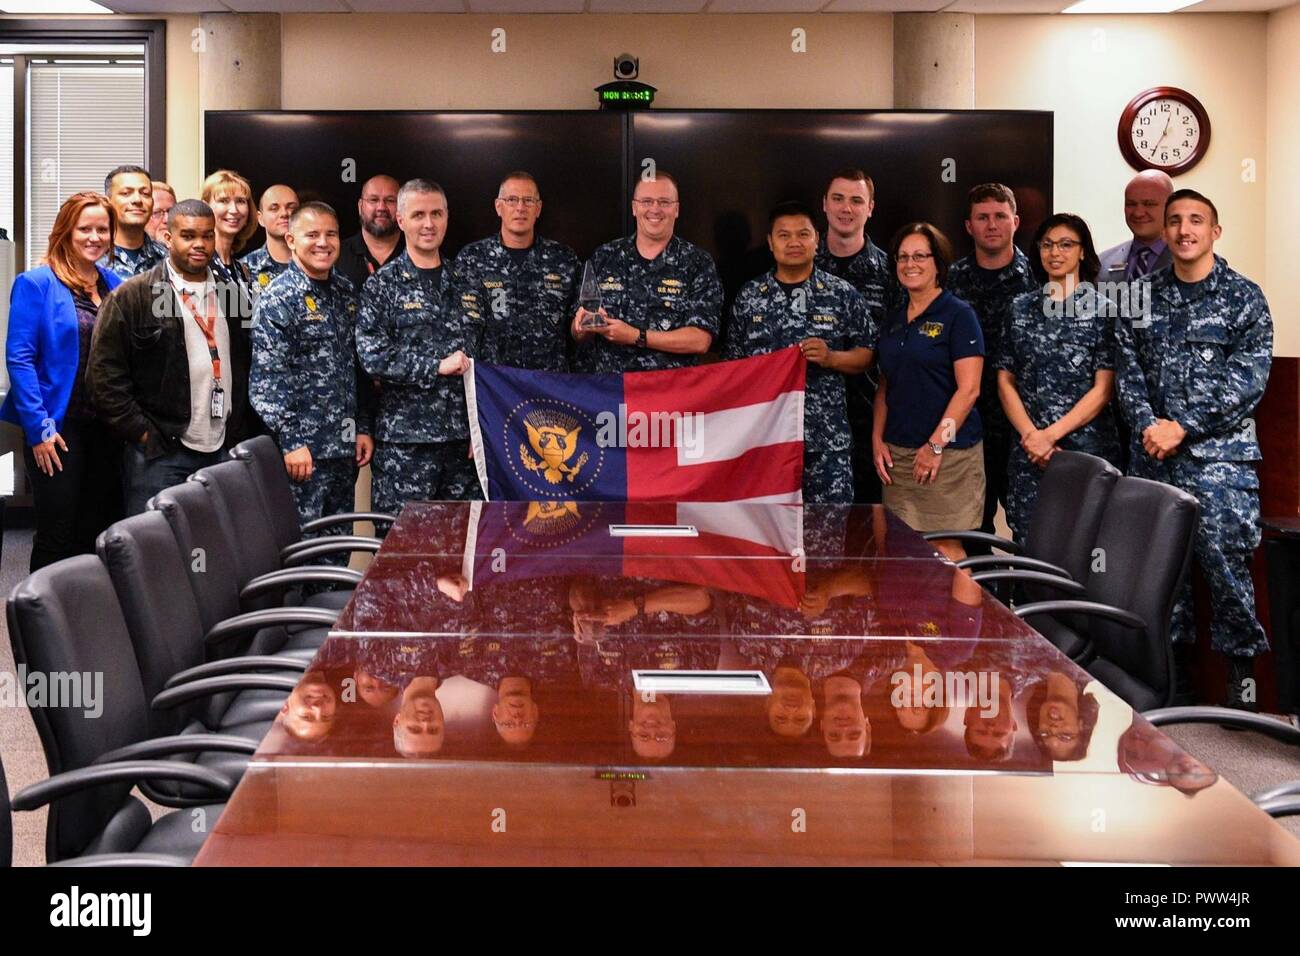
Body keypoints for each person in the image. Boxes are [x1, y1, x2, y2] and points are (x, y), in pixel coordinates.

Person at [1114, 189, 1273, 709]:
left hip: (1220, 464)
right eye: (1175, 221)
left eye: (1196, 221)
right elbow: (1127, 374)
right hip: (1154, 460)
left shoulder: (1244, 298)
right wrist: (1149, 427)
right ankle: (1174, 683)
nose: (1184, 230)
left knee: (1226, 569)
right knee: (1160, 573)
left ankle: (1241, 682)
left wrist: (1182, 426)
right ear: (1164, 232)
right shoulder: (1140, 296)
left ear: (1214, 232)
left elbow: (1247, 381)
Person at [88, 199, 259, 515]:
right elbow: (104, 377)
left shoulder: (231, 294)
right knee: (154, 547)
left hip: (221, 448)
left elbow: (247, 363)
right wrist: (143, 434)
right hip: (161, 452)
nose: (199, 244)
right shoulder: (134, 295)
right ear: (168, 237)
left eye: (207, 236)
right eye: (189, 235)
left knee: (213, 545)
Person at [723, 200, 874, 503]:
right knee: (764, 538)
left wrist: (832, 358)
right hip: (764, 442)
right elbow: (732, 369)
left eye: (803, 234)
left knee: (828, 538)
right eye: (784, 235)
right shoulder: (750, 297)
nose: (794, 242)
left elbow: (867, 354)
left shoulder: (841, 293)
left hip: (825, 446)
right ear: (770, 242)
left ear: (817, 239)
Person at [2, 192, 124, 570]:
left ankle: (83, 619)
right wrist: (38, 429)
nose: (94, 237)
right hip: (56, 427)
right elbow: (19, 359)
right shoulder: (36, 283)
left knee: (97, 530)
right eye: (84, 228)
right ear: (65, 232)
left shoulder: (116, 283)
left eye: (102, 229)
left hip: (105, 427)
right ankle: (39, 620)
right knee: (58, 532)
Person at [249, 201, 375, 536]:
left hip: (343, 449)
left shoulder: (346, 292)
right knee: (302, 550)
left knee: (338, 547)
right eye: (312, 234)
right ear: (291, 240)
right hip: (302, 453)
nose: (323, 242)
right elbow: (267, 379)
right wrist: (291, 441)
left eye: (331, 234)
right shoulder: (278, 298)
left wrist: (361, 426)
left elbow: (357, 367)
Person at [996, 214, 1120, 541]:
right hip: (1028, 453)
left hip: (1083, 451)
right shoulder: (1020, 308)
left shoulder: (1104, 310)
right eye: (1048, 244)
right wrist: (1030, 435)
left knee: (1083, 545)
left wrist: (1050, 436)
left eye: (1066, 244)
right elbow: (1005, 379)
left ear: (1082, 252)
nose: (1055, 252)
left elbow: (1103, 389)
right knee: (1028, 545)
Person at [356, 179, 477, 510]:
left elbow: (487, 356)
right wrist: (435, 367)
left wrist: (481, 427)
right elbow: (372, 355)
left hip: (462, 445)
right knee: (403, 550)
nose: (429, 224)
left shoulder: (468, 281)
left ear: (447, 217)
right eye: (419, 214)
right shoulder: (382, 286)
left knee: (462, 545)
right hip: (406, 444)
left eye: (437, 213)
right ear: (401, 220)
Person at [873, 223, 984, 561]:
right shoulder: (894, 320)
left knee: (945, 549)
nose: (910, 264)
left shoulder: (958, 315)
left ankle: (961, 618)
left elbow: (969, 390)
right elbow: (885, 384)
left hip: (947, 457)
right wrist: (877, 439)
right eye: (903, 257)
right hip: (898, 456)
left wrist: (936, 445)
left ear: (939, 263)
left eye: (920, 255)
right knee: (900, 549)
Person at [946, 184, 1036, 548]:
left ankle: (1025, 605)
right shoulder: (949, 280)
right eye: (982, 217)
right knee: (970, 527)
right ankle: (980, 605)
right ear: (969, 226)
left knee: (1029, 528)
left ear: (1015, 221)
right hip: (966, 422)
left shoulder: (1039, 279)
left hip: (1021, 424)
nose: (992, 225)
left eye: (1000, 216)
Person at [571, 171, 722, 372]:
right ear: (634, 207)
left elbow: (700, 340)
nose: (655, 209)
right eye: (646, 201)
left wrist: (636, 336)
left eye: (664, 202)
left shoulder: (698, 263)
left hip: (670, 393)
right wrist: (584, 325)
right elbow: (576, 332)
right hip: (611, 393)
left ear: (676, 209)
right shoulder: (604, 257)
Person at [814, 167, 903, 504]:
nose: (846, 209)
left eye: (856, 200)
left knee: (871, 525)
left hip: (872, 420)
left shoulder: (892, 271)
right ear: (824, 204)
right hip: (809, 423)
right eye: (837, 199)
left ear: (870, 208)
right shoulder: (799, 264)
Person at [455, 171, 580, 372]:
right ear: (498, 206)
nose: (520, 208)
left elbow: (578, 327)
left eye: (528, 201)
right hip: (496, 384)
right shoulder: (472, 258)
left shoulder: (563, 259)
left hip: (550, 384)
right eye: (512, 200)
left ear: (538, 208)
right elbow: (466, 327)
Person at [1098, 170, 1175, 284]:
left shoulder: (1191, 262)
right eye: (1131, 204)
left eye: (1149, 204)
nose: (1138, 213)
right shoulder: (1102, 263)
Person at [98, 165, 167, 280]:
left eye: (145, 194)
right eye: (126, 193)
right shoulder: (92, 257)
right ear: (107, 203)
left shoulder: (168, 259)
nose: (137, 200)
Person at [337, 174, 404, 289]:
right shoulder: (337, 256)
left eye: (390, 200)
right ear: (360, 206)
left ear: (402, 207)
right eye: (373, 200)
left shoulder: (416, 254)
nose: (381, 207)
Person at [200, 169, 257, 297]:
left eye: (240, 201)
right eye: (224, 201)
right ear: (205, 207)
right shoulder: (197, 264)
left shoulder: (244, 270)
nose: (234, 210)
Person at [241, 183, 299, 291]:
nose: (284, 213)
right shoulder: (245, 268)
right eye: (274, 208)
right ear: (260, 218)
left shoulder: (316, 262)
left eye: (291, 207)